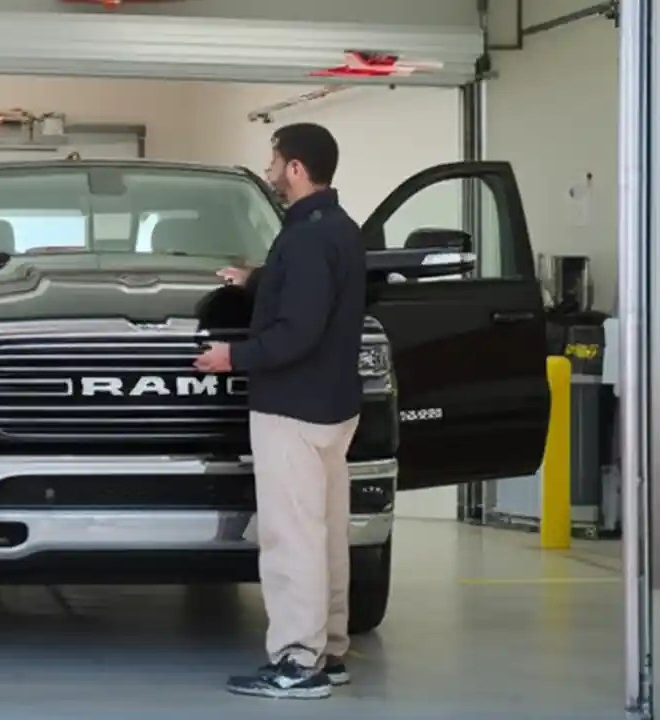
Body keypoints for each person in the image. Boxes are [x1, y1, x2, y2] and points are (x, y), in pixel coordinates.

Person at [193, 122, 366, 699]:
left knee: (291, 538)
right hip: (332, 409)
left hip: (292, 409)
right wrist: (258, 281)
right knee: (325, 534)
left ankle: (298, 661)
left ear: (295, 168)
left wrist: (231, 356)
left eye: (274, 161)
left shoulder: (305, 238)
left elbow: (298, 330)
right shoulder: (338, 229)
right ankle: (330, 651)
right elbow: (312, 290)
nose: (269, 170)